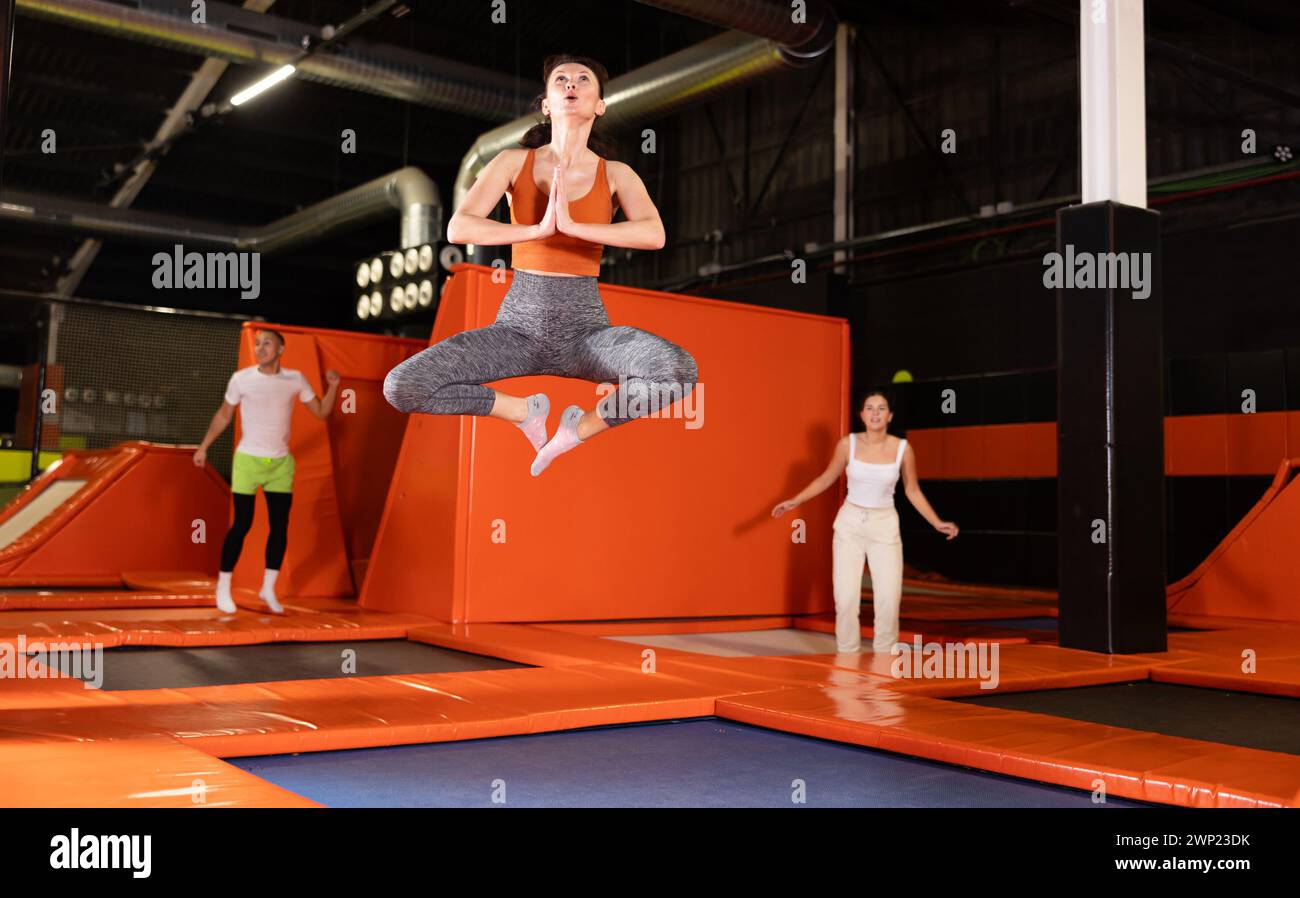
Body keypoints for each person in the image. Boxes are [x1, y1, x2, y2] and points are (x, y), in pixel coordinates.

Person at [382, 53, 697, 475]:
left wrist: (576, 228)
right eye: (561, 80)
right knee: (402, 387)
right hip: (518, 331)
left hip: (586, 335)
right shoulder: (515, 162)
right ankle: (519, 411)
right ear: (547, 103)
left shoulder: (617, 173)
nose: (571, 84)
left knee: (678, 372)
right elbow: (460, 227)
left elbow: (653, 234)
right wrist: (537, 231)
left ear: (599, 104)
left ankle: (576, 429)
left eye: (583, 79)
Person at [771, 389, 958, 653]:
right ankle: (847, 654)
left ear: (890, 415)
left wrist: (937, 522)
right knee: (845, 598)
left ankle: (884, 656)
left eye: (881, 408)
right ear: (861, 414)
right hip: (850, 524)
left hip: (884, 526)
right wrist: (795, 500)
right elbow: (827, 478)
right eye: (869, 408)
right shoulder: (848, 444)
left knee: (888, 599)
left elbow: (912, 490)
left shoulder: (902, 448)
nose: (875, 413)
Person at [193, 328, 339, 614]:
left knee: (279, 526)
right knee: (243, 523)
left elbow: (321, 412)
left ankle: (268, 589)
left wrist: (333, 386)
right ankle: (223, 586)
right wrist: (203, 447)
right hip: (248, 460)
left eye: (267, 343)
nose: (260, 348)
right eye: (257, 343)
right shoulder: (242, 379)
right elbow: (224, 414)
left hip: (281, 464)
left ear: (281, 349)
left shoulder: (294, 379)